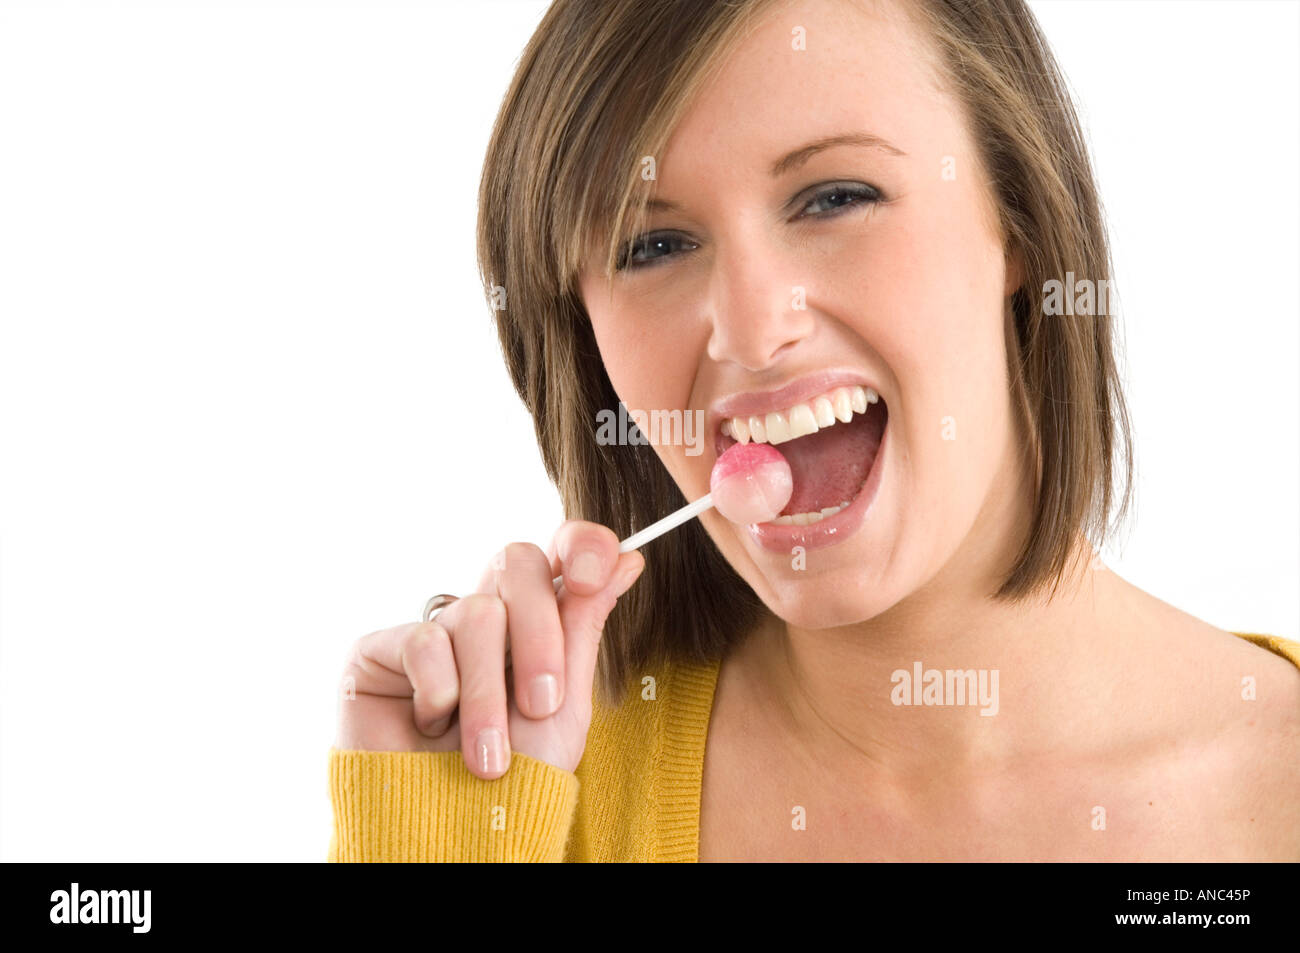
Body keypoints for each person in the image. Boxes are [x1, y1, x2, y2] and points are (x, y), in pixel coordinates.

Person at [329, 0, 1300, 861]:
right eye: (653, 244)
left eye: (836, 196)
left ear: (1021, 226)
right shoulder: (526, 796)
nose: (752, 331)